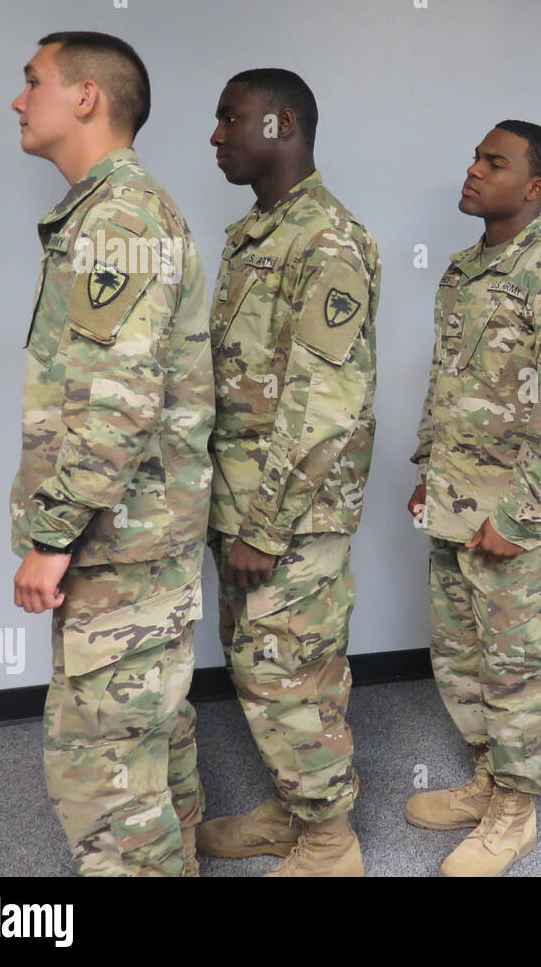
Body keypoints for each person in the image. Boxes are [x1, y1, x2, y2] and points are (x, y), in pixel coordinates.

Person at [9, 31, 214, 876]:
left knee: (105, 770)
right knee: (149, 732)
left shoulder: (118, 218)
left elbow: (116, 405)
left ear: (86, 96)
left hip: (113, 537)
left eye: (34, 82)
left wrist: (51, 536)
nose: (20, 101)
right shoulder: (117, 210)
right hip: (137, 532)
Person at [404, 121, 541, 875]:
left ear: (534, 189)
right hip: (457, 505)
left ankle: (516, 813)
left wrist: (516, 516)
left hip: (518, 523)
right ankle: (488, 781)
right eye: (475, 156)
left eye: (494, 162)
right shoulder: (462, 272)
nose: (473, 169)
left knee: (521, 667)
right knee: (463, 659)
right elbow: (446, 385)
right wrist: (429, 466)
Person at [194, 70, 378, 877]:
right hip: (240, 501)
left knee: (288, 674)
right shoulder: (254, 233)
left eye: (231, 118)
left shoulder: (327, 240)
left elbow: (324, 402)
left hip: (291, 516)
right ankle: (290, 808)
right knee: (260, 666)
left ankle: (331, 843)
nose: (216, 134)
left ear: (282, 124)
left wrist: (267, 525)